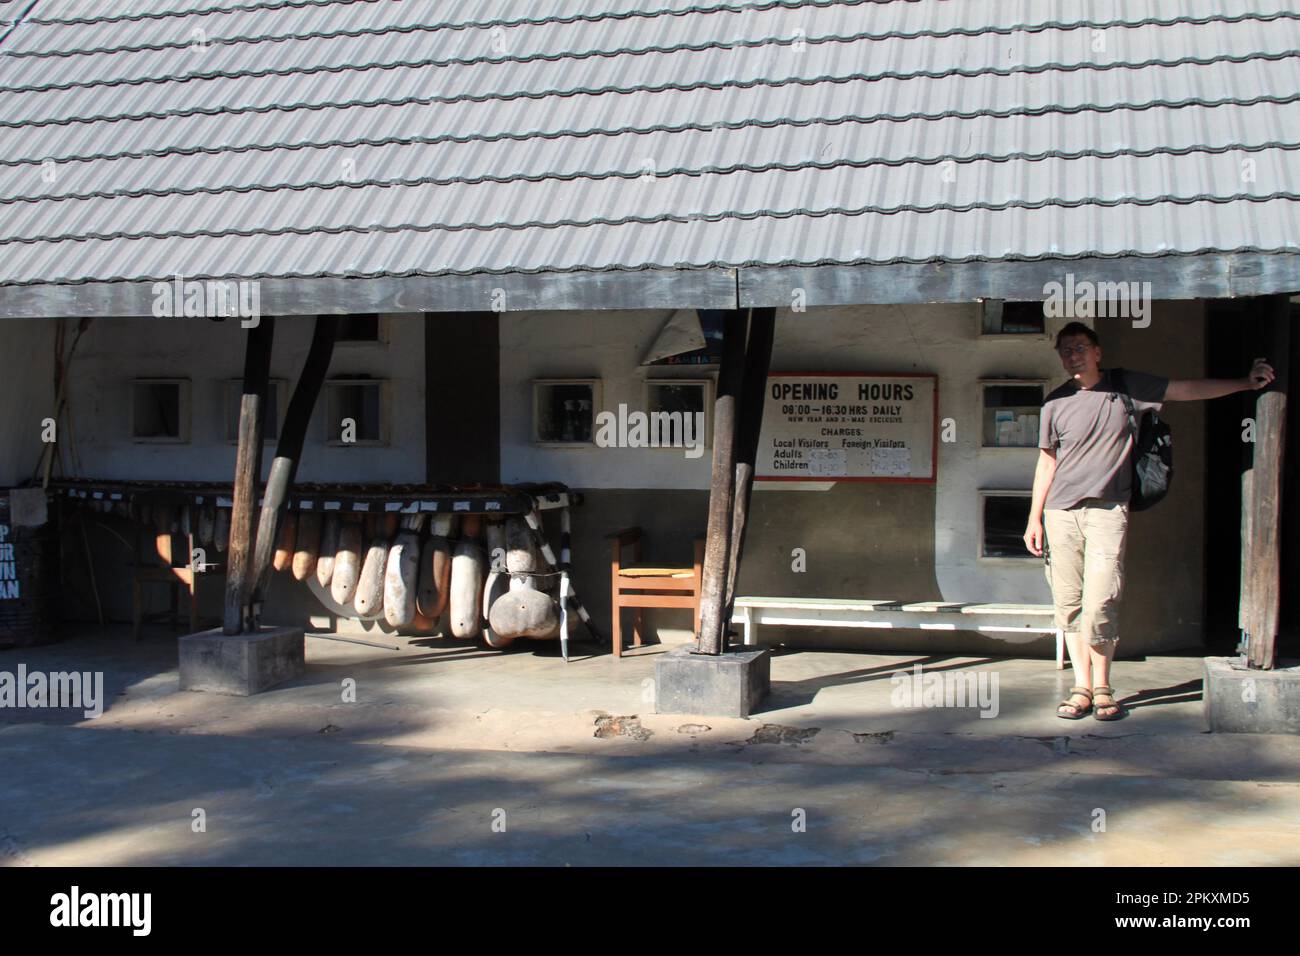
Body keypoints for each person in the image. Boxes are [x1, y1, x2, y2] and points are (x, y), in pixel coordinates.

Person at [1023, 321, 1275, 720]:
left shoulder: (1127, 388)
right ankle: (1081, 689)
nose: (1073, 355)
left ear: (1097, 352)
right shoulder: (1054, 403)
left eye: (1080, 348)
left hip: (1108, 509)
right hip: (1059, 512)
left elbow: (1187, 389)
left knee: (1100, 601)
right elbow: (1046, 461)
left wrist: (1245, 383)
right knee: (1068, 605)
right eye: (1066, 350)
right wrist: (1033, 518)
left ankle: (1103, 687)